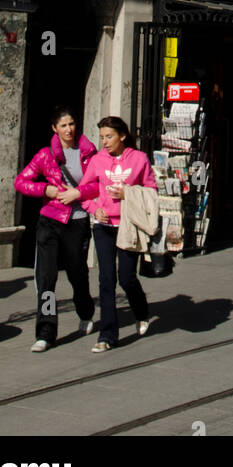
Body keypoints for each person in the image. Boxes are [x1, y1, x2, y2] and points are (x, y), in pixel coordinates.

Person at [64, 116, 157, 352]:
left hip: (128, 226)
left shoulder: (138, 159)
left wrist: (129, 194)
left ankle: (141, 311)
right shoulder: (97, 161)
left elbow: (151, 190)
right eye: (102, 137)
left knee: (127, 278)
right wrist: (96, 209)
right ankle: (107, 335)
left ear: (122, 136)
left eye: (109, 136)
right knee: (106, 279)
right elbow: (85, 192)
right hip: (103, 226)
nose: (104, 141)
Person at [13, 106, 97, 353]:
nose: (69, 129)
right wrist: (44, 190)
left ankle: (85, 311)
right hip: (50, 221)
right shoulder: (45, 155)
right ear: (54, 128)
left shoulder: (89, 154)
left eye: (71, 124)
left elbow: (99, 185)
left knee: (77, 274)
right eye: (63, 125)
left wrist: (78, 192)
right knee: (46, 279)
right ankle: (46, 332)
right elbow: (21, 182)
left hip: (78, 221)